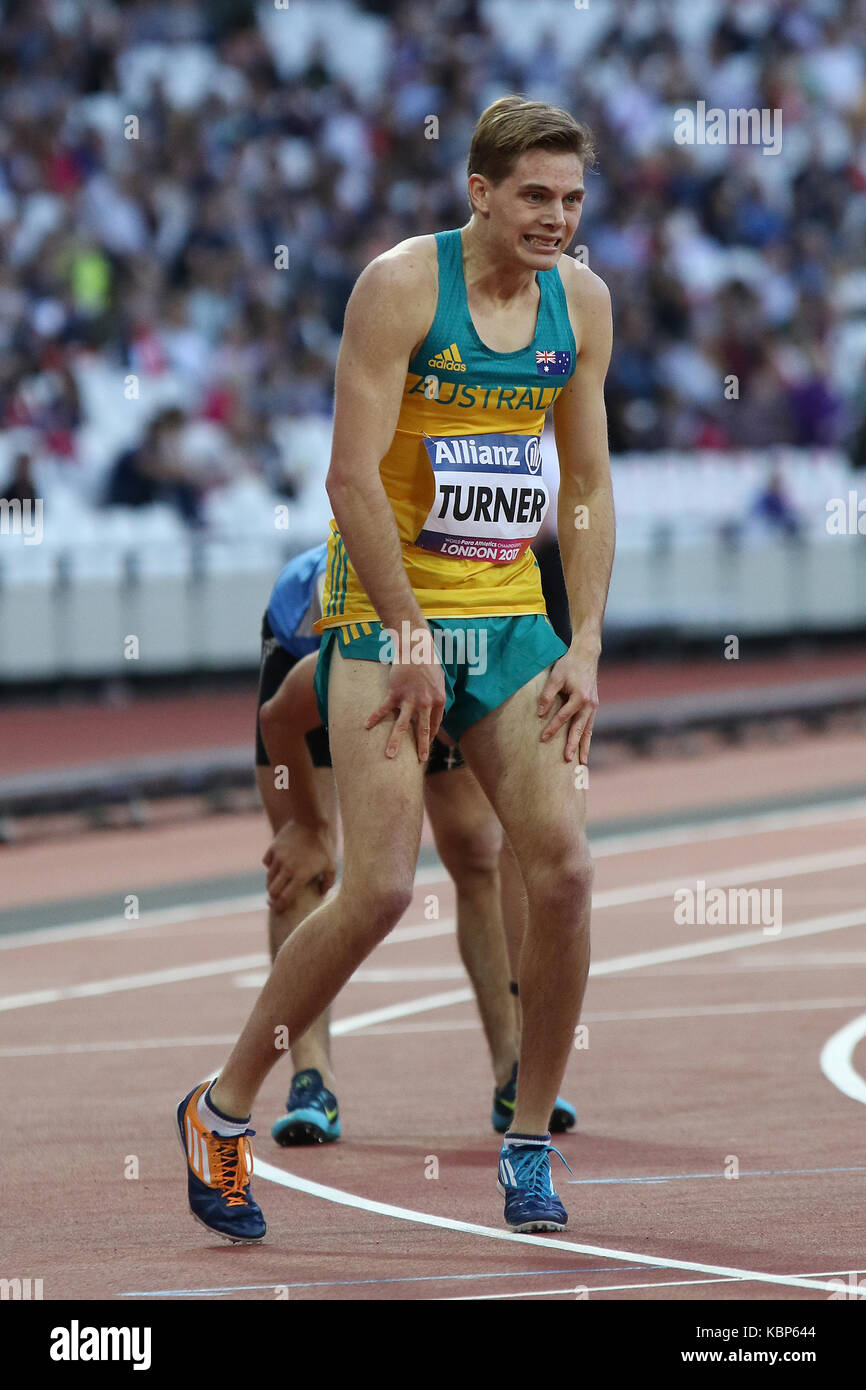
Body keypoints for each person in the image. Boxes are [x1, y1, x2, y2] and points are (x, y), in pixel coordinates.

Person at [178, 96, 614, 1239]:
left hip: (509, 615)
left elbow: (585, 484)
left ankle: (525, 1140)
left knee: (559, 870)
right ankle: (222, 1113)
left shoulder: (583, 306)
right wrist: (410, 633)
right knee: (375, 889)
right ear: (478, 192)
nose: (554, 219)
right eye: (532, 196)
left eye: (570, 200)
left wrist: (586, 639)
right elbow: (348, 479)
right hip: (380, 614)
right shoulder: (400, 288)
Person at [254, 540, 577, 1144]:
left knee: (476, 849)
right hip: (343, 648)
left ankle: (513, 1064)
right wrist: (309, 826)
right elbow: (278, 721)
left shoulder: (486, 623)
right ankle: (310, 1078)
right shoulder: (340, 648)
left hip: (439, 633)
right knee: (307, 868)